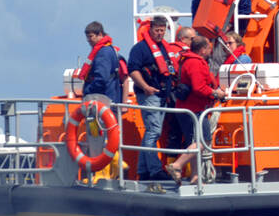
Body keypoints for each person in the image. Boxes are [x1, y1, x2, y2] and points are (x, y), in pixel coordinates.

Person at [166, 34, 228, 184]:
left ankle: (195, 177)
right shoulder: (195, 63)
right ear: (202, 49)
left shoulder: (187, 60)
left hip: (188, 108)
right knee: (203, 142)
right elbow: (199, 87)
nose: (210, 51)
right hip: (195, 109)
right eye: (208, 48)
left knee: (193, 142)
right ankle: (177, 165)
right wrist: (216, 93)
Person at [129, 17, 179, 181]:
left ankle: (143, 170)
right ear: (150, 29)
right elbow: (133, 70)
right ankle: (155, 170)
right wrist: (145, 87)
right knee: (154, 131)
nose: (159, 33)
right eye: (157, 30)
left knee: (151, 132)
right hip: (149, 95)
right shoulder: (140, 49)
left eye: (162, 30)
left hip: (163, 96)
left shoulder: (165, 48)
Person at [78, 21, 127, 104]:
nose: (88, 40)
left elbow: (101, 78)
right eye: (87, 37)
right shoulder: (109, 50)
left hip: (103, 98)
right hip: (110, 96)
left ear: (100, 34)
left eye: (91, 36)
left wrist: (87, 90)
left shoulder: (103, 53)